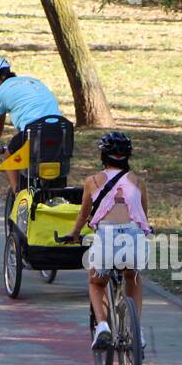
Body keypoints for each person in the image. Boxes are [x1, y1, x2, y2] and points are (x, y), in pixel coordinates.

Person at [63, 131, 151, 351]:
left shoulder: (92, 181)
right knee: (133, 276)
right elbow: (143, 216)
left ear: (103, 156)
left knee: (96, 282)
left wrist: (74, 234)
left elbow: (84, 214)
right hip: (132, 235)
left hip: (107, 238)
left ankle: (102, 326)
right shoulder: (138, 181)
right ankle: (136, 331)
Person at [0, 56, 65, 194]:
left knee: (9, 156)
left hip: (33, 132)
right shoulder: (33, 81)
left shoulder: (2, 93)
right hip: (60, 130)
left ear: (3, 75)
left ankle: (18, 195)